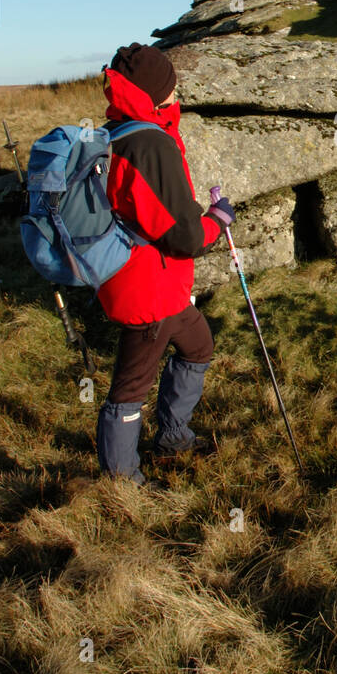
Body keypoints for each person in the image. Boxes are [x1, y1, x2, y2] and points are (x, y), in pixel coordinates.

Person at [95, 42, 234, 484]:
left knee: (198, 345)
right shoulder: (149, 144)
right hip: (147, 289)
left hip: (158, 282)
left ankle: (173, 438)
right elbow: (184, 236)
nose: (179, 94)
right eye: (173, 87)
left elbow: (159, 211)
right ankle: (121, 482)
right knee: (130, 389)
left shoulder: (120, 132)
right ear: (156, 93)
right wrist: (217, 220)